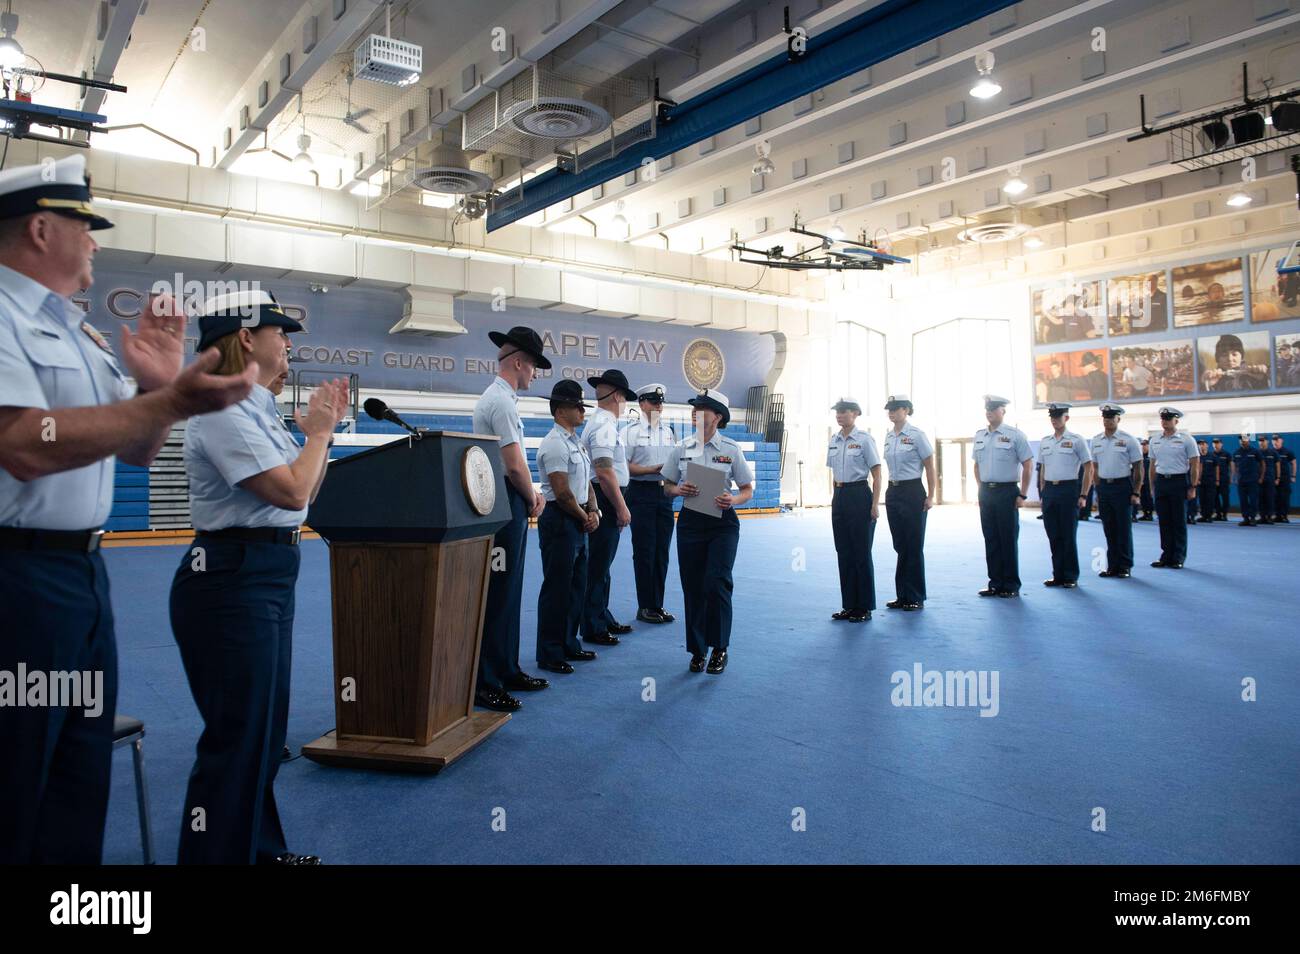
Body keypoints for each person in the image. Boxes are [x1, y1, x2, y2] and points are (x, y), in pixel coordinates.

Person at [0, 156, 256, 864]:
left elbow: (138, 453)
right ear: (42, 228)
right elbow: (21, 444)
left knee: (77, 785)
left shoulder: (76, 332)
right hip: (16, 584)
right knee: (16, 782)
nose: (96, 242)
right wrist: (167, 400)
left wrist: (155, 388)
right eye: (86, 227)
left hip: (81, 579)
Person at [169, 291, 345, 865]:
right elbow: (292, 489)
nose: (288, 343)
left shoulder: (257, 407)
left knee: (264, 736)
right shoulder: (221, 409)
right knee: (236, 737)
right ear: (246, 338)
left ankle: (258, 850)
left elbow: (303, 500)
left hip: (269, 569)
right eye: (280, 332)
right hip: (230, 577)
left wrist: (323, 435)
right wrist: (317, 434)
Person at [472, 326, 551, 712]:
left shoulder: (502, 399)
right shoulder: (501, 403)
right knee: (500, 591)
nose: (535, 373)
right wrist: (533, 495)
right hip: (505, 501)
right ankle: (486, 681)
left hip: (505, 501)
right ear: (518, 362)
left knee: (511, 589)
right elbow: (514, 465)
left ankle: (506, 668)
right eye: (534, 364)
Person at [661, 389, 753, 674]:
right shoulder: (682, 448)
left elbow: (747, 490)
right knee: (694, 586)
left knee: (717, 582)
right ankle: (698, 650)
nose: (695, 413)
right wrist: (678, 490)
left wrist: (733, 499)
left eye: (702, 409)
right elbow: (666, 487)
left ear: (717, 417)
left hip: (722, 524)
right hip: (690, 522)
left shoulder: (730, 449)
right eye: (694, 409)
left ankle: (720, 648)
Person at [533, 380, 601, 675]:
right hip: (561, 520)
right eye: (577, 406)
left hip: (576, 518)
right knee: (558, 589)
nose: (582, 410)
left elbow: (585, 481)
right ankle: (550, 652)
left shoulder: (575, 441)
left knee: (576, 587)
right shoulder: (554, 444)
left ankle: (568, 643)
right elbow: (562, 492)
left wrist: (594, 509)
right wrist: (583, 516)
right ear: (561, 410)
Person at [579, 369, 636, 646]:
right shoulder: (604, 425)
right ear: (617, 395)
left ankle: (601, 613)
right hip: (605, 497)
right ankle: (592, 624)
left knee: (604, 562)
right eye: (625, 397)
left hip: (605, 495)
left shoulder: (605, 423)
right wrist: (622, 506)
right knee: (599, 563)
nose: (625, 403)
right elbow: (603, 472)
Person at [624, 383, 677, 624]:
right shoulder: (630, 432)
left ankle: (657, 604)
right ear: (642, 403)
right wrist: (649, 469)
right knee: (645, 551)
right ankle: (644, 605)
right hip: (641, 491)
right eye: (654, 402)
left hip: (663, 494)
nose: (659, 406)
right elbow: (623, 466)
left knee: (662, 552)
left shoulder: (668, 431)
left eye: (661, 402)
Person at [826, 398, 881, 622]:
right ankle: (849, 604)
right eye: (837, 412)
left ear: (856, 414)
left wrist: (875, 504)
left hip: (859, 494)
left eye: (844, 411)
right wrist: (835, 498)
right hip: (840, 496)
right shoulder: (834, 440)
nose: (839, 415)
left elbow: (877, 474)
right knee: (844, 552)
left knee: (861, 552)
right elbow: (833, 473)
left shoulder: (865, 440)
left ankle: (864, 607)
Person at [972, 395, 1033, 597]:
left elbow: (1028, 464)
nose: (989, 412)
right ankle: (995, 582)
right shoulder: (980, 435)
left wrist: (1023, 494)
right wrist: (981, 489)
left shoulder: (1015, 435)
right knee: (990, 538)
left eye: (994, 408)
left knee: (1007, 538)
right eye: (987, 409)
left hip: (1007, 492)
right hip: (987, 492)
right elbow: (976, 465)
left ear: (1003, 411)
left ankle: (1010, 584)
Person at [882, 394, 934, 611]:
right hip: (893, 491)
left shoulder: (916, 435)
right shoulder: (889, 436)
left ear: (907, 410)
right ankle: (902, 594)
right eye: (889, 409)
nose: (891, 412)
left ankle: (915, 596)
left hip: (912, 490)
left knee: (913, 545)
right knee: (900, 545)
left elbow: (930, 465)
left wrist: (931, 496)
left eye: (896, 408)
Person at [1036, 403, 1093, 587]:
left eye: (1058, 416)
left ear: (1066, 418)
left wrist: (1083, 494)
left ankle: (1070, 576)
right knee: (1053, 534)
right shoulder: (1045, 441)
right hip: (1050, 492)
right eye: (1052, 417)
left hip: (1068, 490)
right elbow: (1043, 468)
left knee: (1068, 534)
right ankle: (1058, 574)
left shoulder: (1076, 440)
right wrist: (1043, 492)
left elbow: (1089, 467)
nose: (1054, 420)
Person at [1090, 404, 1144, 578]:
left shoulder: (1129, 440)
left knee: (1123, 527)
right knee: (1109, 528)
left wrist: (1136, 492)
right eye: (1105, 417)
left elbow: (1138, 468)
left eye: (1111, 417)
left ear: (1118, 419)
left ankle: (1125, 565)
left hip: (1122, 487)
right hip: (1104, 487)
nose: (1108, 420)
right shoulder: (1096, 440)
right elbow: (1095, 468)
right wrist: (1098, 490)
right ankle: (1113, 565)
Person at [1147, 407, 1200, 567]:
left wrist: (1193, 486)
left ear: (1176, 421)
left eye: (1168, 419)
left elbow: (1195, 463)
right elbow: (1152, 465)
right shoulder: (1154, 439)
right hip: (1162, 482)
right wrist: (1151, 486)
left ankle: (1178, 557)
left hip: (1179, 482)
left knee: (1178, 520)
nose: (1165, 422)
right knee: (1164, 521)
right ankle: (1166, 555)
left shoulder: (1186, 439)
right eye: (1163, 419)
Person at [1203, 334, 1269, 392]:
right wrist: (1206, 385)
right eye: (1224, 355)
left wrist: (1263, 379)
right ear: (1217, 359)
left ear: (1241, 357)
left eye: (1234, 354)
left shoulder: (1252, 377)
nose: (1230, 359)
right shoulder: (1213, 381)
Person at [1231, 435, 1263, 526]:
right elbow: (1234, 464)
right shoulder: (1236, 452)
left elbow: (1262, 463)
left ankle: (1253, 518)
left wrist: (1261, 477)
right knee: (1243, 500)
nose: (1242, 441)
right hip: (1241, 481)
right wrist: (1234, 476)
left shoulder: (1255, 451)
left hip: (1253, 480)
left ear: (1248, 440)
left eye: (1244, 439)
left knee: (1253, 500)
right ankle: (1246, 518)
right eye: (1240, 439)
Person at [1272, 434, 1295, 522]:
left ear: (1281, 441)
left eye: (1277, 440)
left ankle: (1284, 516)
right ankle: (1277, 515)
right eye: (1274, 440)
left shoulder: (1287, 452)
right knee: (1275, 497)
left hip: (1285, 479)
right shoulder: (1271, 452)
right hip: (1273, 479)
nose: (1275, 442)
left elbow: (1294, 463)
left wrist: (1293, 476)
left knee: (1284, 498)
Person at [1195, 440, 1218, 523]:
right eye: (1199, 445)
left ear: (1207, 446)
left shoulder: (1212, 456)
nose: (1201, 446)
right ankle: (1203, 515)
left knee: (1210, 499)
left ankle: (1209, 516)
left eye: (1202, 444)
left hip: (1210, 481)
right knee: (1202, 499)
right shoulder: (1197, 456)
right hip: (1200, 482)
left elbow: (1217, 468)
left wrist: (1217, 480)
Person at [1257, 436, 1278, 524]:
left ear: (1267, 441)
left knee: (1269, 498)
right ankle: (1262, 516)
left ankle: (1269, 517)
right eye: (1260, 441)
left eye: (1263, 441)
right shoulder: (1256, 452)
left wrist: (1278, 478)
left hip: (1270, 478)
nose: (1261, 442)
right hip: (1259, 479)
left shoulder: (1273, 452)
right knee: (1260, 498)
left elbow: (1278, 465)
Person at [1212, 437, 1232, 520]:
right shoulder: (1211, 454)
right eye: (1214, 443)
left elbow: (1231, 466)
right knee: (1215, 497)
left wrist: (1231, 477)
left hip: (1224, 479)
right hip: (1213, 480)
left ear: (1221, 444)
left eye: (1218, 443)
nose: (1216, 444)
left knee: (1225, 497)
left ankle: (1224, 514)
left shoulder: (1227, 454)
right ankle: (1218, 514)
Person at [1137, 439, 1155, 520]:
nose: (1143, 447)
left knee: (1149, 497)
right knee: (1143, 497)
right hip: (1142, 480)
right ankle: (1145, 513)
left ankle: (1150, 514)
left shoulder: (1151, 456)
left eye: (1145, 445)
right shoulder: (1140, 456)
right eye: (1142, 445)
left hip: (1149, 480)